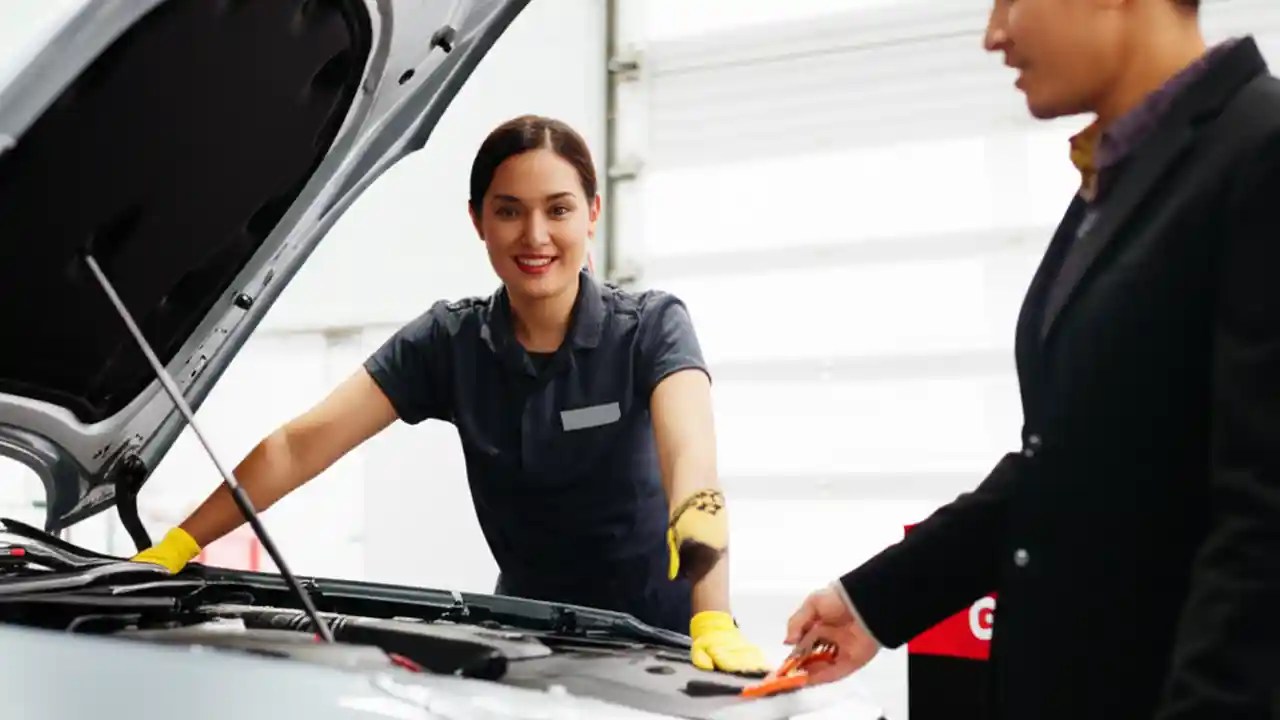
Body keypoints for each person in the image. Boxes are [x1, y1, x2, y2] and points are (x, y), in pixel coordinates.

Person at [131, 114, 767, 674]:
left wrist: (712, 616)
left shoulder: (651, 328)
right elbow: (300, 446)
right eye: (509, 210)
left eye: (559, 208)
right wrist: (179, 544)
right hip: (527, 643)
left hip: (658, 644)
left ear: (592, 213)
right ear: (478, 220)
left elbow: (693, 470)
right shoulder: (449, 342)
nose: (535, 235)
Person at [784, 2, 1280, 719]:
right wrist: (871, 604)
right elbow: (1068, 460)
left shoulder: (1258, 154)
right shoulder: (1120, 179)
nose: (995, 34)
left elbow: (1264, 528)